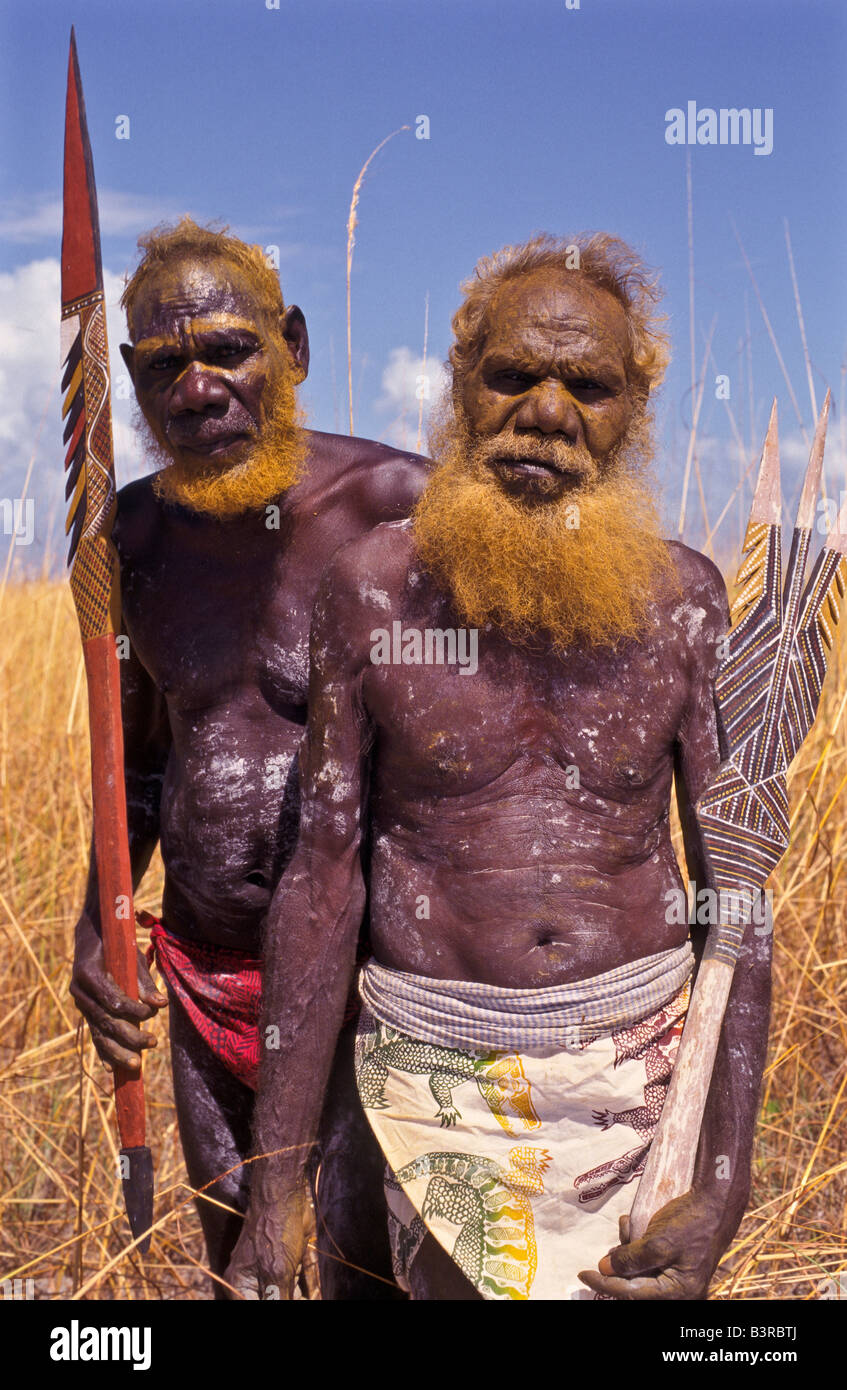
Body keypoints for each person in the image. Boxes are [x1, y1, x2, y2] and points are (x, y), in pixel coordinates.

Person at [227, 233, 770, 1300]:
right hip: (432, 1080)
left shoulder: (686, 603)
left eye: (590, 387)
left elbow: (739, 896)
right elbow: (321, 879)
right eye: (513, 375)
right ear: (461, 384)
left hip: (643, 1075)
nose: (549, 412)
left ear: (634, 413)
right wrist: (276, 1186)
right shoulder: (373, 591)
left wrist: (722, 1179)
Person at [69, 217, 428, 1297]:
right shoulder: (129, 538)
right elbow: (130, 762)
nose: (199, 388)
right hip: (200, 968)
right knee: (240, 1268)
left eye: (228, 348)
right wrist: (102, 922)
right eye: (165, 365)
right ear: (132, 382)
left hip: (368, 985)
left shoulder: (403, 511)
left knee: (361, 1267)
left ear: (296, 347)